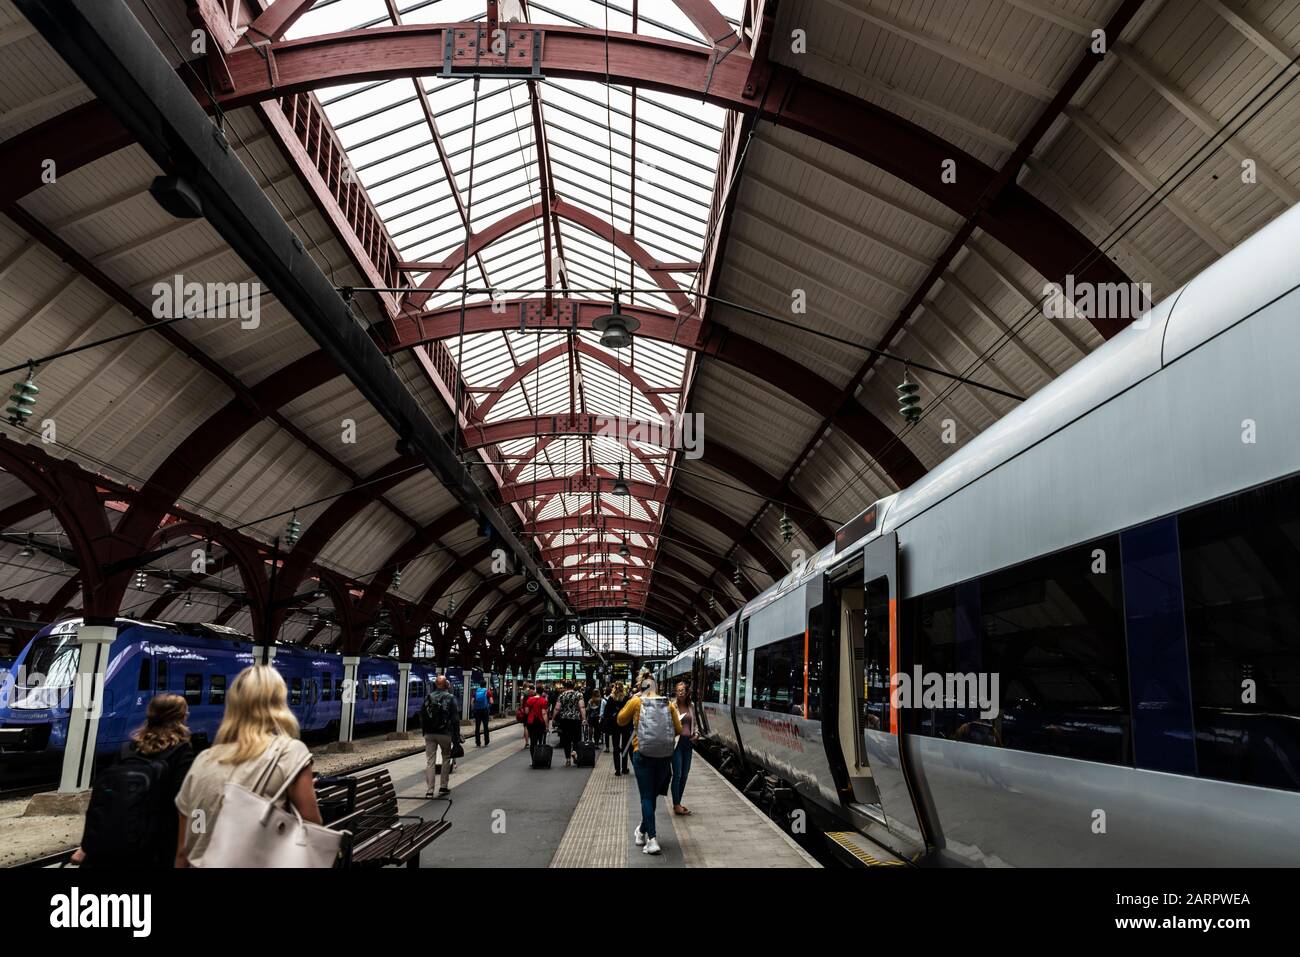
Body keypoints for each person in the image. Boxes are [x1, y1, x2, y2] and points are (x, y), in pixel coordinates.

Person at [174, 666, 321, 867]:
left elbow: (186, 846)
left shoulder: (203, 761)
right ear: (280, 703)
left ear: (232, 704)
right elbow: (311, 833)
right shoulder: (290, 753)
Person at [73, 693, 194, 868]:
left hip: (116, 839)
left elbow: (105, 800)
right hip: (157, 846)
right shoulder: (181, 751)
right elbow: (184, 804)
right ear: (181, 718)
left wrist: (87, 845)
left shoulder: (127, 749)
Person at [617, 668, 682, 856]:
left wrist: (633, 699)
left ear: (641, 686)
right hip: (663, 756)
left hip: (642, 754)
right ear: (656, 686)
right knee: (652, 796)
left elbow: (620, 720)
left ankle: (652, 839)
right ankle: (641, 831)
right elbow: (677, 729)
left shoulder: (637, 701)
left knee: (646, 796)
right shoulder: (667, 704)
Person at [421, 674, 461, 796]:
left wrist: (425, 732)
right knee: (446, 758)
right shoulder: (450, 698)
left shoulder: (428, 697)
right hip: (445, 733)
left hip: (429, 733)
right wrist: (457, 737)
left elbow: (423, 716)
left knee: (430, 761)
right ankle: (443, 786)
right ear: (446, 685)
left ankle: (430, 790)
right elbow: (455, 719)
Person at [671, 681, 696, 816]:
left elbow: (694, 723)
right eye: (678, 690)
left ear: (687, 693)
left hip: (688, 744)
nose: (680, 692)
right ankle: (676, 804)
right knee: (678, 775)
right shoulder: (672, 706)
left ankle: (678, 803)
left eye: (683, 690)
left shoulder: (690, 706)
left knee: (685, 775)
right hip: (676, 744)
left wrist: (696, 733)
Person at [554, 679, 586, 767]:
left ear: (565, 686)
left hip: (564, 720)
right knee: (577, 737)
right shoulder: (578, 694)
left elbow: (557, 708)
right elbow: (582, 707)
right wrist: (584, 719)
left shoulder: (562, 695)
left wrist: (553, 718)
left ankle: (568, 759)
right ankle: (574, 751)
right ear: (574, 686)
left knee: (566, 739)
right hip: (576, 719)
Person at [605, 681, 631, 775]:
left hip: (614, 726)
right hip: (625, 725)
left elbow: (606, 713)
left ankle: (617, 770)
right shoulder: (626, 699)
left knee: (616, 747)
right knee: (625, 747)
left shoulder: (611, 699)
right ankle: (624, 768)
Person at [524, 682, 550, 753]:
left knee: (533, 741)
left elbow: (526, 712)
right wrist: (547, 726)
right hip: (540, 722)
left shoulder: (529, 700)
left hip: (531, 722)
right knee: (540, 740)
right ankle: (539, 756)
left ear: (536, 691)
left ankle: (533, 760)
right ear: (542, 692)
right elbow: (544, 713)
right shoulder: (543, 701)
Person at [472, 680, 492, 747]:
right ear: (485, 685)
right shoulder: (487, 691)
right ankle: (486, 741)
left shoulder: (476, 691)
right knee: (485, 726)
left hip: (477, 711)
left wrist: (474, 707)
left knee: (477, 727)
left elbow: (472, 701)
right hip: (485, 711)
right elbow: (491, 701)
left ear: (480, 685)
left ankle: (478, 743)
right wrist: (488, 704)